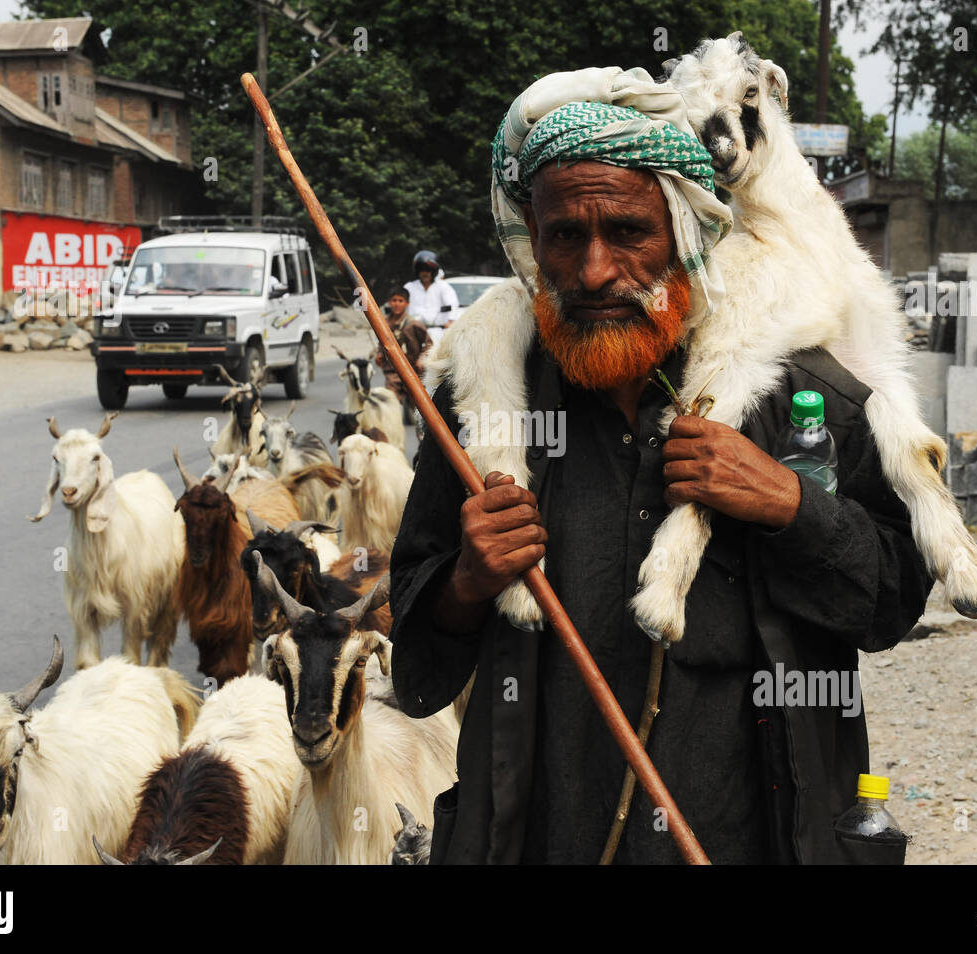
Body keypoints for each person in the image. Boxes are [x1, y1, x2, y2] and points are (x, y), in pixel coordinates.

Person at [387, 68, 933, 865]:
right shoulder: (485, 403)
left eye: (628, 232)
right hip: (543, 834)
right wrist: (468, 582)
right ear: (532, 240)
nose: (596, 271)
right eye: (564, 236)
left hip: (754, 837)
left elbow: (891, 605)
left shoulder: (799, 394)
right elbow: (418, 651)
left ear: (688, 229)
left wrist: (791, 504)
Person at [374, 286, 432, 423]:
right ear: (389, 302)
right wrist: (379, 355)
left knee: (419, 404)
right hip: (392, 371)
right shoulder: (384, 323)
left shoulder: (414, 324)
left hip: (412, 370)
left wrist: (421, 359)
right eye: (394, 300)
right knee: (390, 399)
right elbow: (381, 343)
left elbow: (429, 343)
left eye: (400, 300)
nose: (397, 304)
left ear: (407, 303)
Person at [404, 250, 459, 338]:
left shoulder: (443, 286)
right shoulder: (409, 287)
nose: (424, 273)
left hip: (438, 332)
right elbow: (401, 306)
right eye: (421, 270)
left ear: (434, 271)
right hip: (413, 332)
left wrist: (450, 322)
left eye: (428, 270)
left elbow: (452, 306)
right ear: (417, 271)